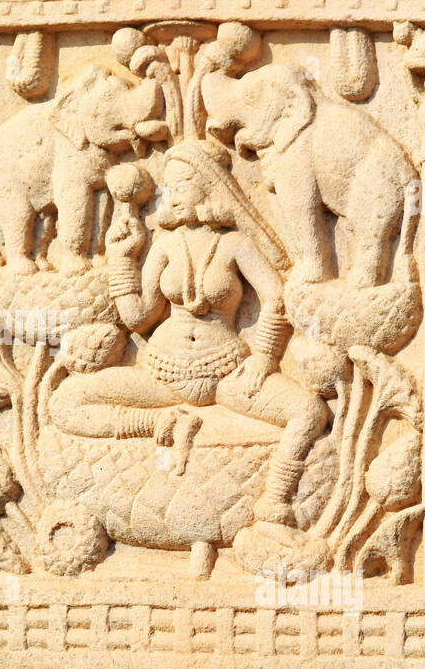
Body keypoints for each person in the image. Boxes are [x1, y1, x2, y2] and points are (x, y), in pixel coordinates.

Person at [50, 140, 328, 575]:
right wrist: (123, 259)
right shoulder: (165, 244)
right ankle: (159, 424)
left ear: (208, 186)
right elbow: (138, 316)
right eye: (169, 185)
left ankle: (273, 505)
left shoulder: (235, 244)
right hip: (162, 372)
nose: (170, 193)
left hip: (226, 373)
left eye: (181, 184)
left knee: (308, 412)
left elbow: (276, 299)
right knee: (65, 401)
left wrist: (264, 357)